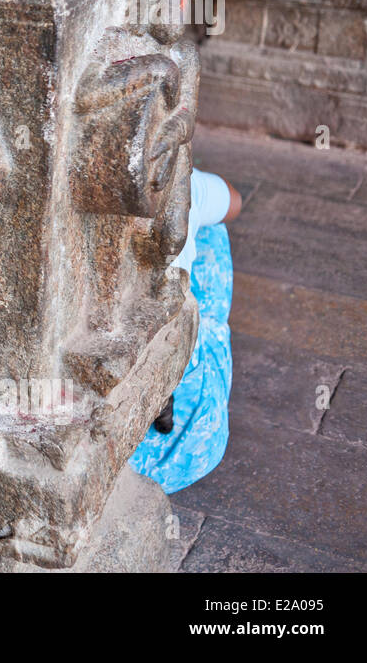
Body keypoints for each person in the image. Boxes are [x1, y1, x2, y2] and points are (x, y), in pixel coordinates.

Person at [129, 167, 242, 494]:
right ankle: (199, 344)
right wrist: (189, 175)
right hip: (182, 451)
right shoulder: (171, 179)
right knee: (211, 228)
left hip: (82, 445)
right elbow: (234, 201)